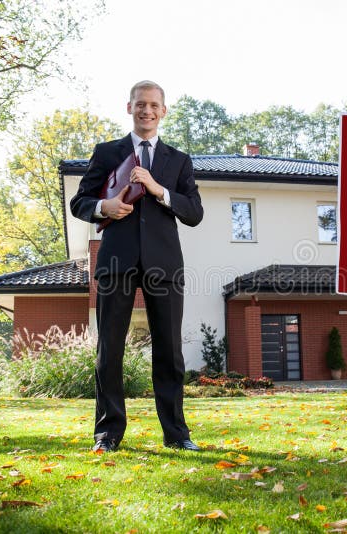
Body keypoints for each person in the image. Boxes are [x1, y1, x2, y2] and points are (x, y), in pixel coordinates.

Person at [70, 80, 203, 452]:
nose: (147, 110)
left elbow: (194, 213)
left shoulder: (178, 161)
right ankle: (107, 434)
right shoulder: (107, 152)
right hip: (116, 261)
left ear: (163, 111)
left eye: (154, 105)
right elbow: (79, 201)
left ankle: (177, 435)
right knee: (109, 350)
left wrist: (159, 189)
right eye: (140, 104)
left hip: (164, 263)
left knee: (169, 351)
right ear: (129, 107)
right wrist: (103, 208)